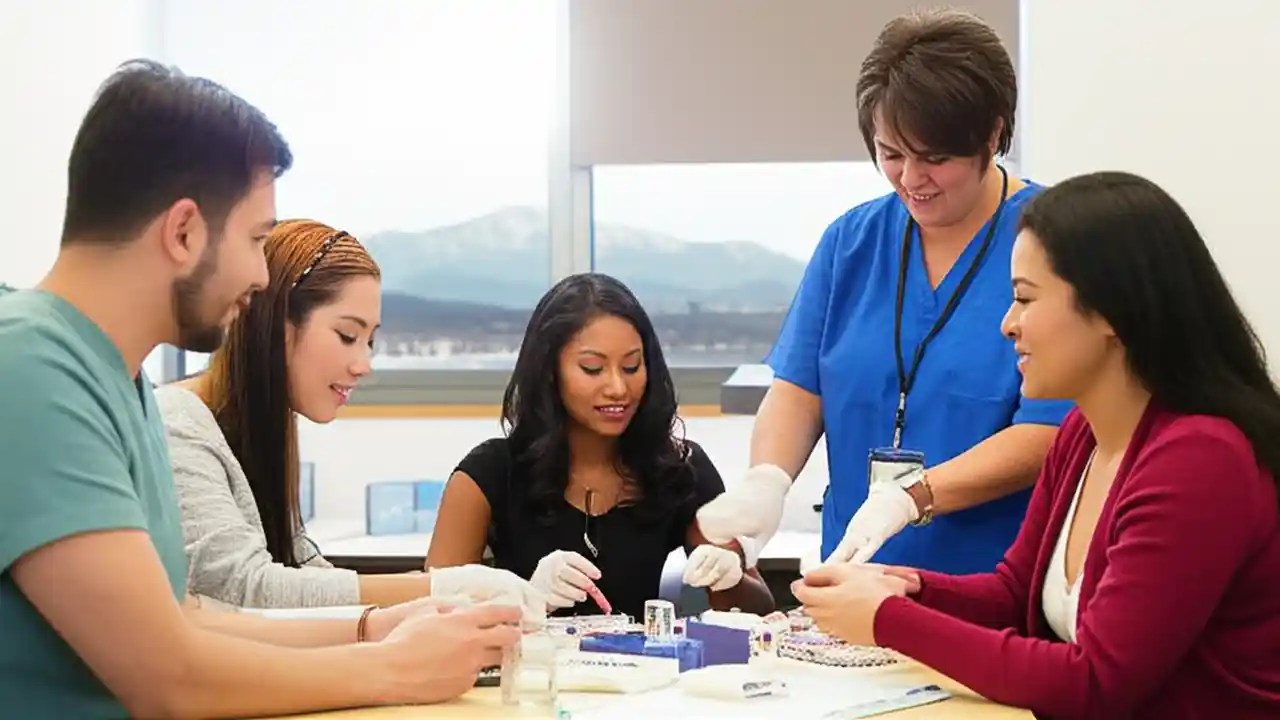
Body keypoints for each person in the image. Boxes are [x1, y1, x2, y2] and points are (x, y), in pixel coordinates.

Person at [0, 60, 523, 718]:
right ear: (184, 231)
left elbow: (189, 620)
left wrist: (373, 628)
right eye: (255, 239)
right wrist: (390, 668)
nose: (258, 275)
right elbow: (169, 677)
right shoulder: (29, 369)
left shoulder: (115, 380)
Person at [793, 172, 1280, 718]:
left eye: (1025, 299)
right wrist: (904, 587)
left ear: (1111, 314)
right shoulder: (1082, 436)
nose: (1008, 325)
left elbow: (1096, 682)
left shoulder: (1199, 460)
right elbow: (1012, 595)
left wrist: (888, 619)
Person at [697, 8, 1074, 574]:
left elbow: (1050, 429)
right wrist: (766, 483)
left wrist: (914, 496)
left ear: (993, 134)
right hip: (855, 578)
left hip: (992, 583)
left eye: (935, 158)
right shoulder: (852, 242)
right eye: (891, 154)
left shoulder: (1054, 240)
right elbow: (800, 388)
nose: (910, 179)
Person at [158, 219, 543, 611]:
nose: (364, 364)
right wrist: (439, 589)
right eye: (347, 336)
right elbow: (245, 587)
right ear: (274, 324)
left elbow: (301, 565)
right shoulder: (177, 425)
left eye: (370, 341)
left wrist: (427, 599)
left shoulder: (264, 429)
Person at [427, 273, 775, 619]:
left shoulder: (681, 468)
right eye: (592, 369)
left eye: (631, 366)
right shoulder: (488, 474)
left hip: (644, 673)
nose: (618, 388)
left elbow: (759, 608)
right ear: (550, 372)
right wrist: (525, 600)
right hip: (528, 670)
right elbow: (427, 616)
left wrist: (729, 578)